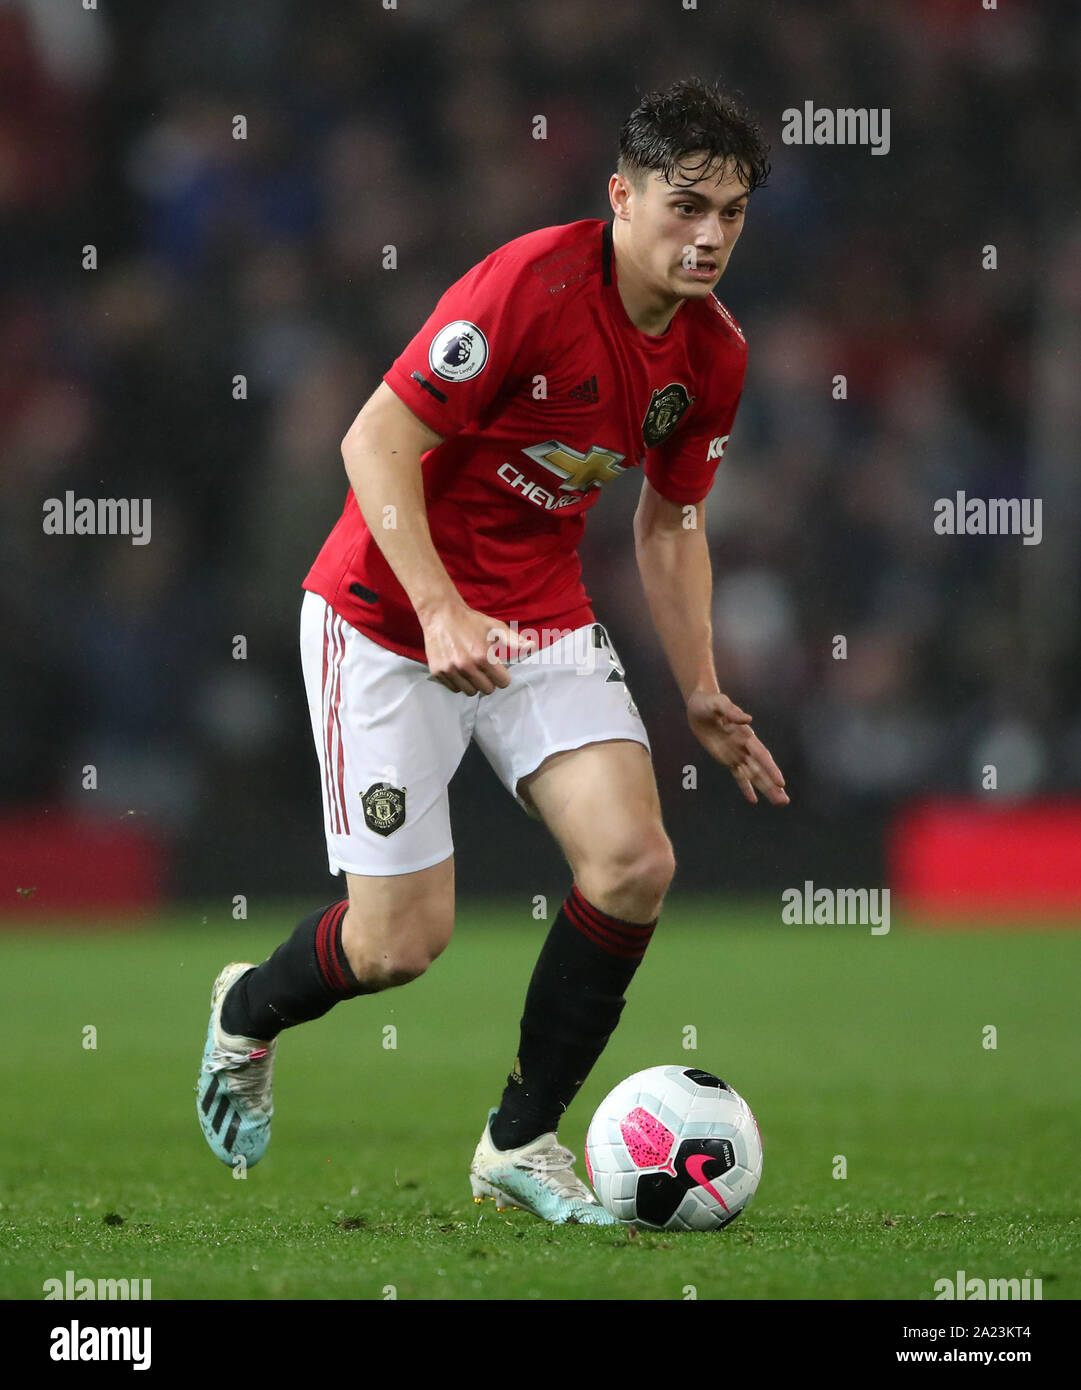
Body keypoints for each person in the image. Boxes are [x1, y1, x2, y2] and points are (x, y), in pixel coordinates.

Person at [196, 76, 788, 1224]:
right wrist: (436, 608)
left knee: (633, 861)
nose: (709, 235)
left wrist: (704, 689)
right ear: (621, 196)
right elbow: (372, 439)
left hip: (540, 620)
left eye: (732, 212)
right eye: (685, 206)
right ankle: (247, 1011)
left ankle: (518, 1141)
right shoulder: (528, 284)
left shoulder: (711, 354)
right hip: (382, 617)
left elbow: (668, 523)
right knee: (396, 946)